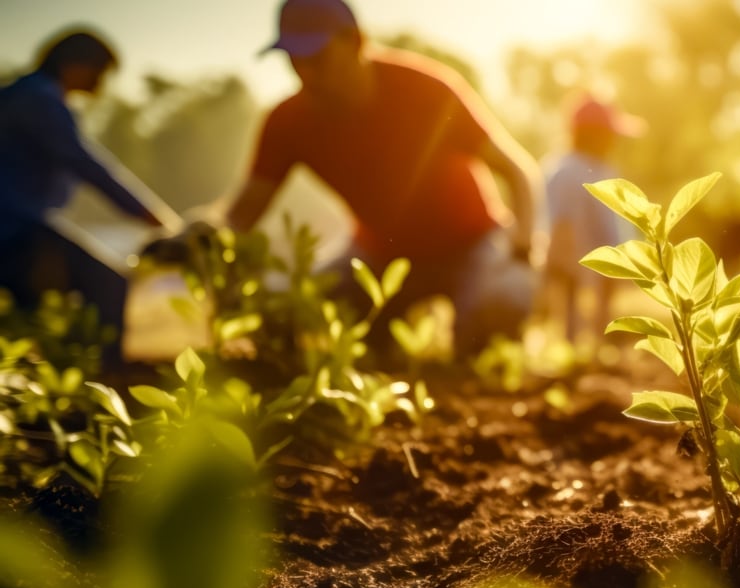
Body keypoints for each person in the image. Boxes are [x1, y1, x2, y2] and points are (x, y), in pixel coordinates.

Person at [225, 0, 543, 355]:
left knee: (501, 302)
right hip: (379, 255)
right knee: (286, 311)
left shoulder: (425, 89)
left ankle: (478, 358)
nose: (306, 74)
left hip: (471, 244)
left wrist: (521, 253)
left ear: (356, 41)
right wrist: (203, 241)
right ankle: (376, 349)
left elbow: (518, 172)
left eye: (316, 58)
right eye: (294, 61)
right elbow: (242, 214)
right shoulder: (288, 121)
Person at [0, 29, 166, 365]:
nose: (102, 84)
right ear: (75, 65)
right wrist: (149, 214)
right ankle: (104, 380)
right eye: (100, 72)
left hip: (16, 228)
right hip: (14, 232)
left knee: (35, 316)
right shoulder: (40, 100)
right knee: (109, 285)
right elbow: (85, 164)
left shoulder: (20, 94)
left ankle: (52, 388)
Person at [538, 92, 643, 349]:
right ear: (592, 134)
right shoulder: (570, 171)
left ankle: (593, 341)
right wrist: (560, 255)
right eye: (609, 134)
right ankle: (573, 344)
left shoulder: (598, 169)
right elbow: (562, 222)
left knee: (595, 307)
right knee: (571, 306)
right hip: (576, 256)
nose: (614, 142)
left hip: (599, 257)